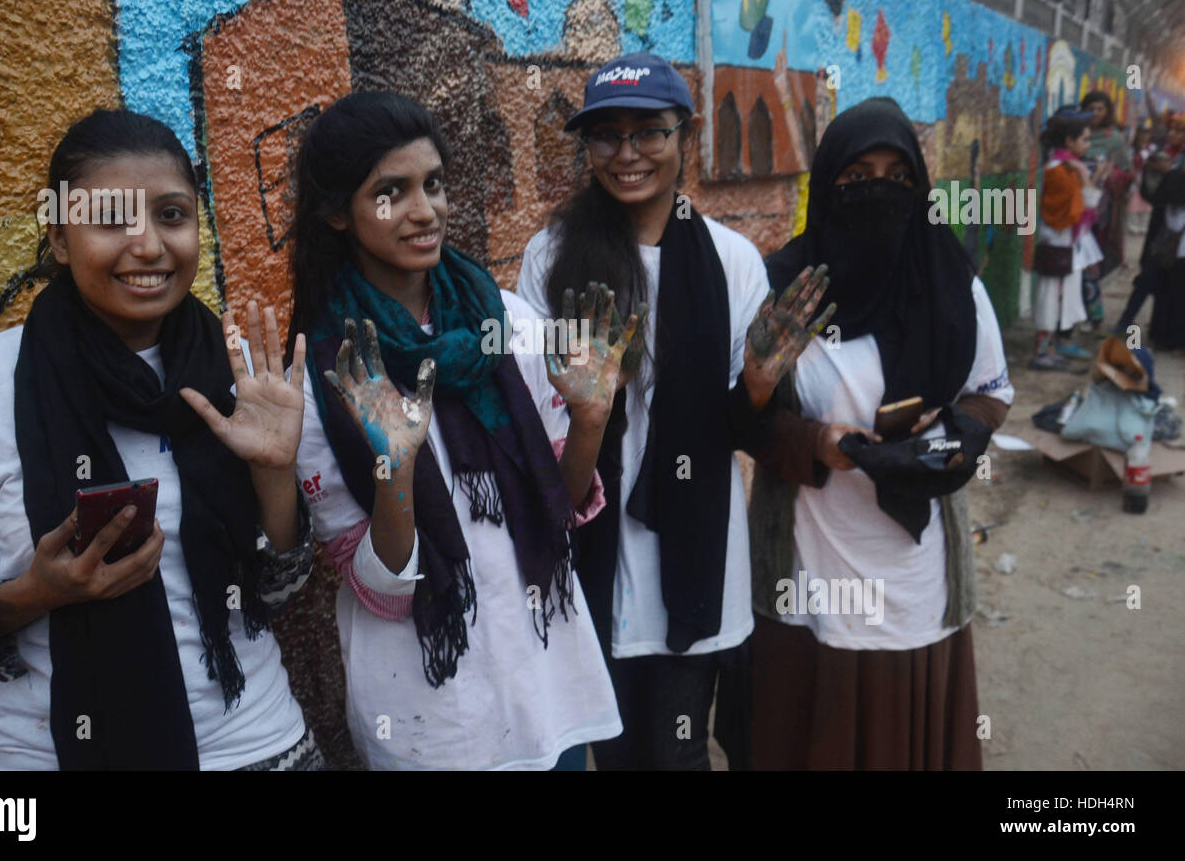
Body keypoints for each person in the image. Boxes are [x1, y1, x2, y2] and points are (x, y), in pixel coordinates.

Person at [0, 109, 320, 770]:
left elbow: (278, 594)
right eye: (111, 219)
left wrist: (274, 472)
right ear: (59, 237)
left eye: (172, 215)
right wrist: (36, 592)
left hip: (260, 747)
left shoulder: (239, 375)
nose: (147, 244)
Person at [288, 91, 641, 770]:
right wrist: (395, 466)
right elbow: (385, 587)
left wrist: (592, 422)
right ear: (337, 212)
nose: (426, 210)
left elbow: (559, 508)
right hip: (434, 713)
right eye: (392, 191)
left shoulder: (505, 321)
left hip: (548, 682)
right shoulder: (328, 376)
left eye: (434, 184)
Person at [516, 52, 831, 770]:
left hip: (694, 561)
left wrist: (755, 380)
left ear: (683, 136)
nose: (626, 155)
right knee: (618, 755)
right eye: (606, 136)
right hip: (592, 550)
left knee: (679, 751)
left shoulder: (731, 261)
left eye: (648, 133)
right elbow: (536, 419)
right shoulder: (552, 257)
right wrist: (585, 406)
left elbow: (744, 430)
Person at [720, 96, 1013, 770]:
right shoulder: (787, 290)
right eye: (857, 176)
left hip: (916, 567)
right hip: (809, 563)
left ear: (918, 184)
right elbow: (739, 422)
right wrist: (818, 440)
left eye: (896, 175)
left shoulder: (952, 284)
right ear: (827, 186)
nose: (879, 190)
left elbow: (992, 391)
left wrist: (958, 432)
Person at [1030, 106, 1102, 371]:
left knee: (1058, 298)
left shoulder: (1064, 166)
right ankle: (1042, 352)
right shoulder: (1060, 171)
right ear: (1069, 141)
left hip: (1065, 245)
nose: (1088, 144)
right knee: (1050, 299)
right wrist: (1085, 176)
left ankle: (1050, 348)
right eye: (1084, 139)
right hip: (1058, 244)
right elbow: (1086, 204)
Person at [1117, 113, 1185, 338]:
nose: (1173, 135)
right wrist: (1157, 172)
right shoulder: (1166, 157)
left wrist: (1171, 175)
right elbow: (1154, 196)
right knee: (1149, 276)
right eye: (1172, 130)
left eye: (1179, 131)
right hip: (1163, 231)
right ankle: (1126, 321)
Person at [1079, 90, 1132, 324]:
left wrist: (1109, 176)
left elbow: (1128, 173)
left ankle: (1094, 314)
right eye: (1091, 109)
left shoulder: (1114, 140)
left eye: (1100, 109)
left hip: (1099, 213)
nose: (1095, 114)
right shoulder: (1077, 134)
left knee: (1092, 263)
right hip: (1074, 207)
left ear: (1108, 111)